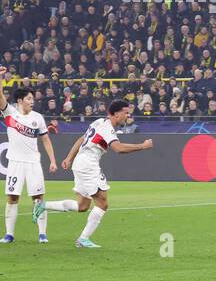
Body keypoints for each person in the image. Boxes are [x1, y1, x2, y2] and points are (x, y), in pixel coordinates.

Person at [59, 100, 155, 248]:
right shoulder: (107, 127)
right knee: (102, 202)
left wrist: (69, 158)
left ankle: (43, 206)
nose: (127, 116)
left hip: (80, 162)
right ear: (116, 114)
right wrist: (143, 146)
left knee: (82, 206)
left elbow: (82, 139)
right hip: (88, 164)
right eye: (125, 112)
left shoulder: (99, 121)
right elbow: (118, 148)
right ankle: (83, 239)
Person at [0, 67, 61, 244]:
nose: (32, 101)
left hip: (33, 163)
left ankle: (42, 234)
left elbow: (45, 140)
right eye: (29, 99)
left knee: (38, 198)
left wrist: (52, 160)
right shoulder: (10, 113)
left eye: (33, 99)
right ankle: (9, 234)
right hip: (14, 162)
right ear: (20, 101)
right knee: (12, 197)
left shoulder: (38, 118)